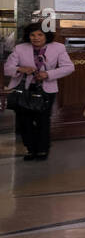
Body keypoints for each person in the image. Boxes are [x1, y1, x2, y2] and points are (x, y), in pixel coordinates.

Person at [4, 23, 74, 160]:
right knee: (25, 121)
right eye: (32, 35)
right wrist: (20, 69)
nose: (36, 38)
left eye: (40, 35)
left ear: (46, 36)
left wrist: (48, 74)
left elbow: (69, 67)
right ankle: (30, 149)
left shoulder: (58, 48)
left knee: (43, 120)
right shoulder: (19, 48)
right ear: (28, 36)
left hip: (47, 90)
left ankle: (42, 149)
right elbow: (7, 68)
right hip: (23, 90)